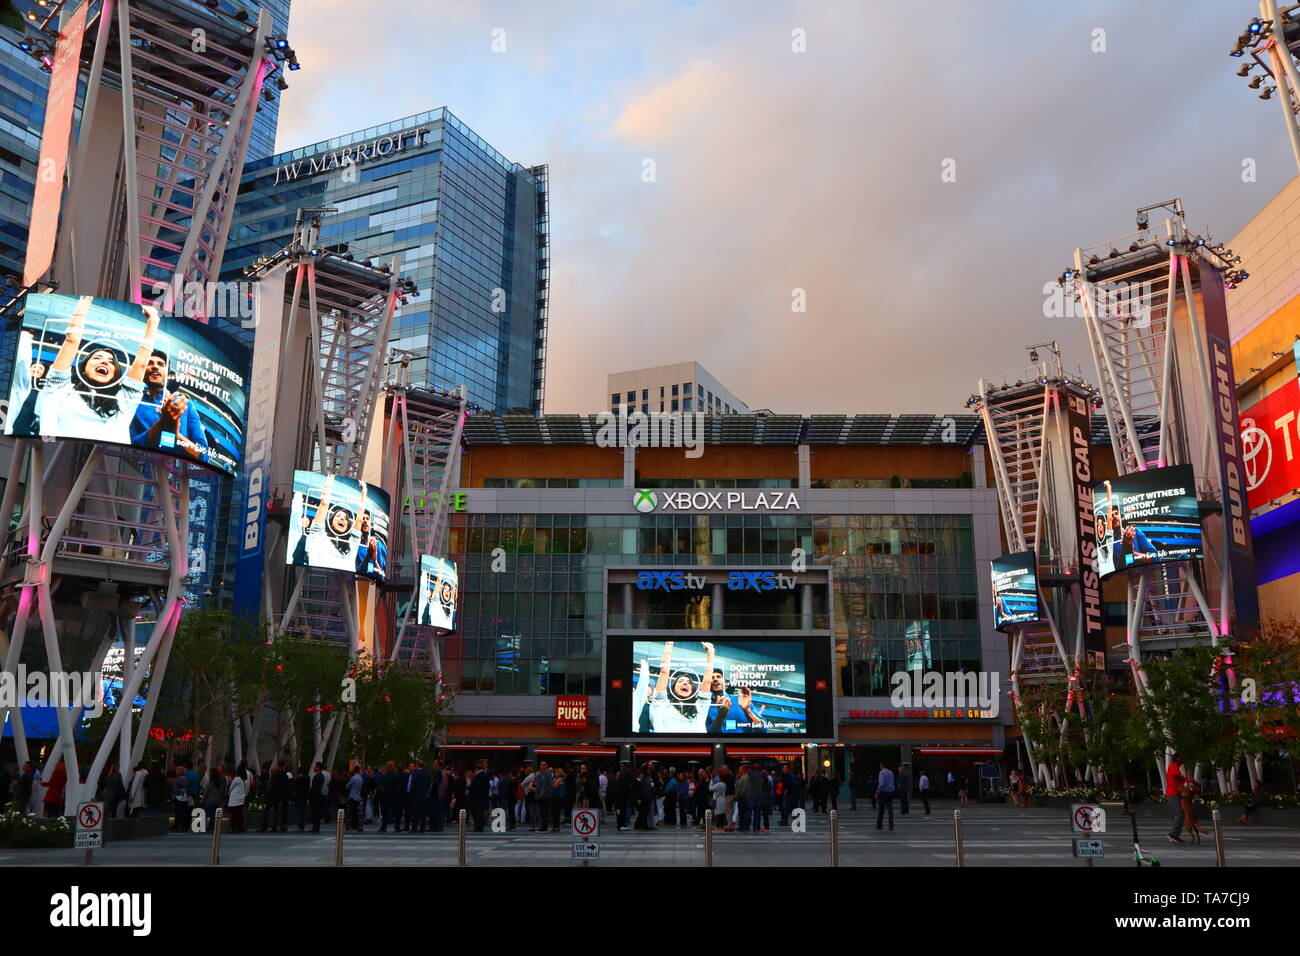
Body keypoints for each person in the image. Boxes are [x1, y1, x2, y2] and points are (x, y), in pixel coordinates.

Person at [26, 298, 159, 446]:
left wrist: (153, 322)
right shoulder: (60, 388)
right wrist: (84, 301)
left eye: (110, 362)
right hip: (53, 450)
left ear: (115, 375)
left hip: (108, 457)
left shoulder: (124, 399)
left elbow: (141, 364)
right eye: (97, 358)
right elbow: (72, 340)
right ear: (83, 368)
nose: (104, 362)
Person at [129, 348, 209, 462]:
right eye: (149, 363)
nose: (155, 366)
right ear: (143, 369)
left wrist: (176, 435)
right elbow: (131, 444)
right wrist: (162, 424)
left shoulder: (187, 405)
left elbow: (204, 456)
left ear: (168, 372)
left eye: (161, 364)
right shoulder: (133, 402)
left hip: (175, 476)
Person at [1165, 753, 1189, 844]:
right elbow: (1176, 777)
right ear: (1178, 759)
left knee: (1180, 812)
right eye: (1182, 757)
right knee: (1180, 812)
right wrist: (1186, 779)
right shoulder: (1173, 766)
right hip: (1173, 793)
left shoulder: (1175, 767)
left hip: (1175, 793)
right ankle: (1173, 834)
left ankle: (1174, 834)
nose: (1184, 759)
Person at [1179, 775, 1203, 845]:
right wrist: (1191, 781)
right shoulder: (1191, 789)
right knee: (1195, 824)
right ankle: (1197, 838)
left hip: (1186, 807)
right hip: (1190, 807)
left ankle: (1193, 836)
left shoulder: (1185, 788)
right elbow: (1197, 788)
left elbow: (1179, 787)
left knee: (1189, 826)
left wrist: (1184, 780)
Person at [203, 764, 228, 829]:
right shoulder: (220, 782)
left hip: (209, 801)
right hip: (217, 801)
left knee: (207, 814)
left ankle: (206, 826)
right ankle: (213, 827)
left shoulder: (211, 783)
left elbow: (206, 792)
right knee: (214, 815)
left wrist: (204, 799)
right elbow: (223, 791)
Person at [469, 760, 490, 832]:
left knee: (477, 812)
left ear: (476, 769)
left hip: (477, 798)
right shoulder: (484, 775)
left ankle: (478, 827)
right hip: (481, 797)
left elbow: (475, 787)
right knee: (479, 812)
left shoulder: (479, 776)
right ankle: (479, 826)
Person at [308, 762, 328, 832]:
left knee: (315, 812)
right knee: (316, 812)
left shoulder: (319, 776)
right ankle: (316, 826)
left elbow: (315, 787)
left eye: (315, 767)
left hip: (315, 797)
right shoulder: (320, 776)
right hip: (317, 796)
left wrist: (311, 794)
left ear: (319, 767)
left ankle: (316, 827)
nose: (314, 768)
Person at [227, 766, 248, 833]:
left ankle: (233, 828)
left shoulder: (237, 779)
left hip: (235, 799)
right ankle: (239, 827)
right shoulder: (243, 779)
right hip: (241, 799)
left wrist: (229, 793)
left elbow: (231, 787)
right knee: (239, 814)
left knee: (234, 815)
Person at [876, 761, 895, 831]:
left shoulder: (882, 773)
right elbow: (892, 783)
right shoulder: (891, 772)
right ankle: (891, 825)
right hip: (890, 792)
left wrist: (877, 792)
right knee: (890, 810)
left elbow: (881, 784)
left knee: (881, 810)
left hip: (883, 793)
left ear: (882, 765)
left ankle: (879, 825)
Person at [170, 766, 191, 831]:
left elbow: (174, 789)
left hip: (178, 797)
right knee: (184, 812)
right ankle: (183, 826)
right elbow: (187, 788)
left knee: (177, 812)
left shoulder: (176, 780)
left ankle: (176, 825)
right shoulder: (186, 779)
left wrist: (180, 790)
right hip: (185, 797)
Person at [346, 766, 365, 832]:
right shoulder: (361, 778)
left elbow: (347, 786)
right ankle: (358, 826)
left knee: (352, 812)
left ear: (354, 771)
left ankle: (353, 826)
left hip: (352, 796)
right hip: (358, 796)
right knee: (357, 813)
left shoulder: (353, 778)